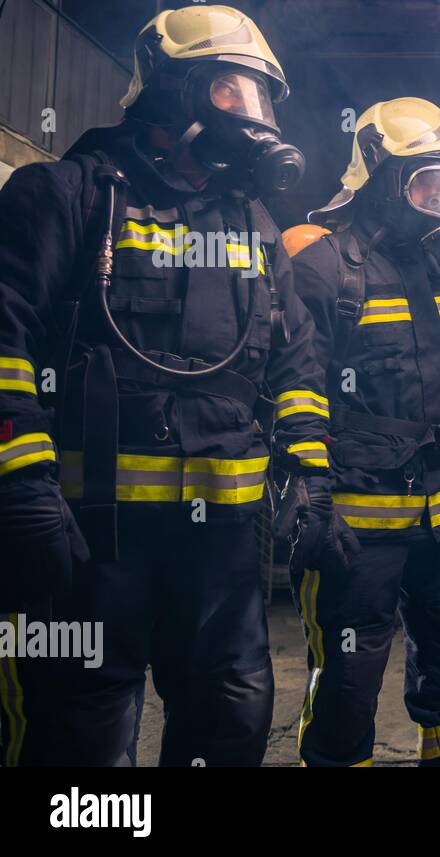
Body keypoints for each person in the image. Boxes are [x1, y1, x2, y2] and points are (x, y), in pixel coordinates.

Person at [0, 5, 327, 766]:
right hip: (91, 539)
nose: (254, 118)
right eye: (231, 93)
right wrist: (20, 483)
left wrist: (310, 467)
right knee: (80, 728)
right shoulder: (67, 196)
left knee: (231, 707)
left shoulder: (254, 227)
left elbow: (296, 361)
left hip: (223, 544)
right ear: (174, 93)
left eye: (262, 100)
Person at [289, 98, 440, 767]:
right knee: (350, 673)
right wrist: (310, 487)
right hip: (358, 515)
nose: (437, 201)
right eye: (422, 183)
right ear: (379, 178)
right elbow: (298, 385)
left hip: (439, 508)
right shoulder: (322, 268)